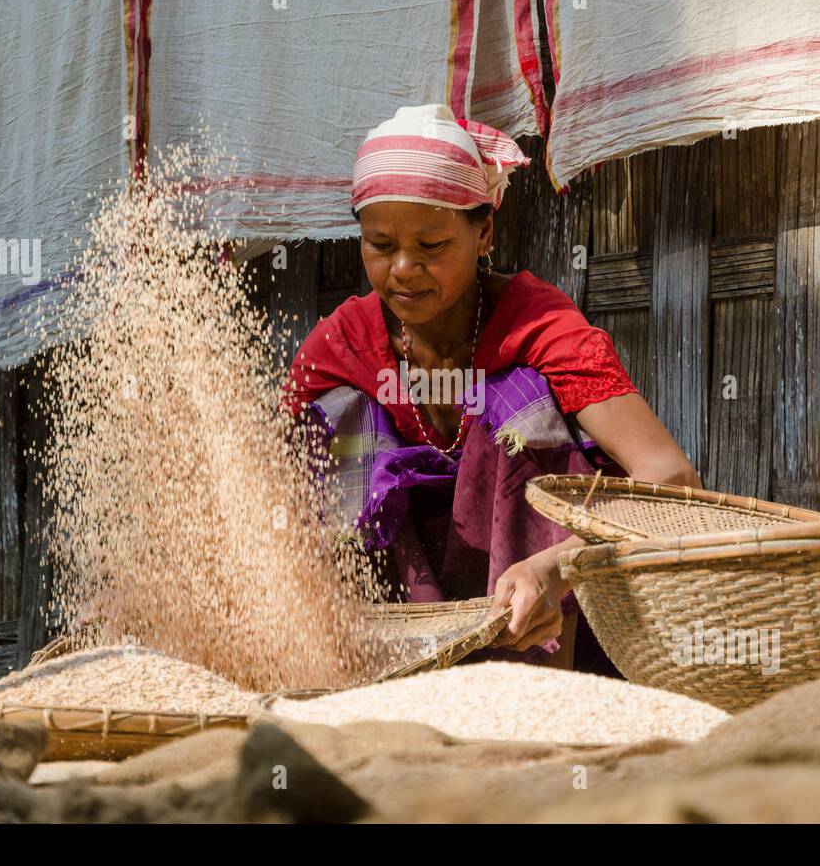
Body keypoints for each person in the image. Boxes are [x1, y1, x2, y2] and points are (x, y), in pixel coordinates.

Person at [285, 104, 699, 670]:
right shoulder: (346, 340)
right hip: (404, 584)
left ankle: (542, 681)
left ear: (484, 234)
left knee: (517, 397)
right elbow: (264, 490)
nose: (403, 269)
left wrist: (555, 569)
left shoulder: (536, 323)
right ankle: (368, 667)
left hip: (542, 589)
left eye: (431, 247)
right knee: (334, 417)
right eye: (380, 245)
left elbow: (671, 478)